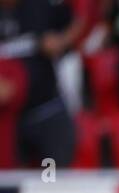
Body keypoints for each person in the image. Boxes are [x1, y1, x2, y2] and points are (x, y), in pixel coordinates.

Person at [0, 0, 78, 168]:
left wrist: (61, 40)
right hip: (8, 124)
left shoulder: (40, 6)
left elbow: (80, 21)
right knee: (13, 189)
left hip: (47, 113)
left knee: (50, 182)